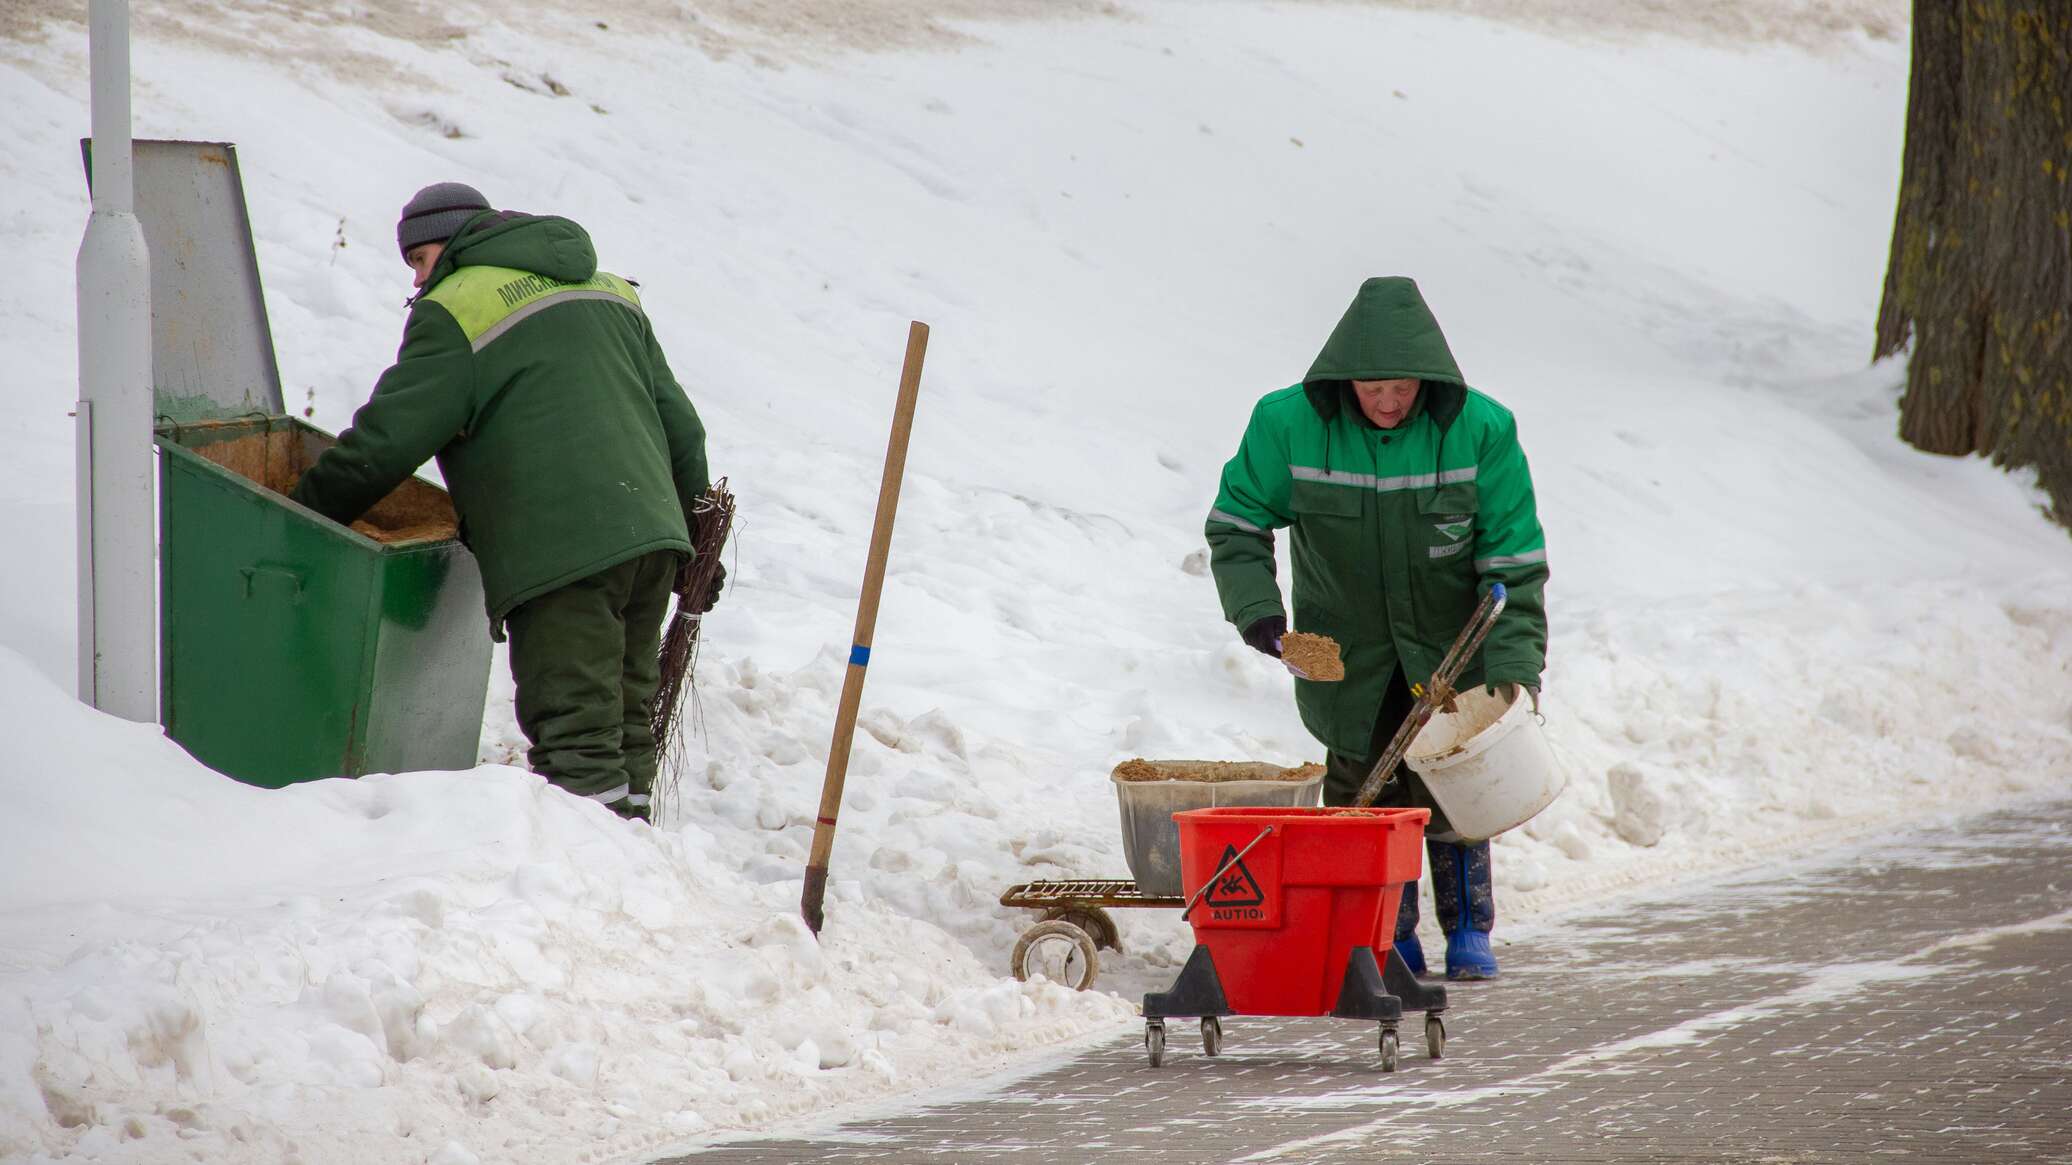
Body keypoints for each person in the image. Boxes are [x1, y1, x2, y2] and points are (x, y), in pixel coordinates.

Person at [290, 182, 717, 823]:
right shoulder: (609, 291)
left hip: (561, 550)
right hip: (650, 535)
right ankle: (633, 858)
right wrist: (696, 536)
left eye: (419, 258)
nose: (416, 276)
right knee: (627, 723)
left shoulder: (454, 308)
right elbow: (680, 425)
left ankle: (591, 886)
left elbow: (390, 437)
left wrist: (304, 514)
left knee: (576, 737)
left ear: (453, 241)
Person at [1204, 276, 1549, 979]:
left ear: (1430, 378)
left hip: (1453, 649)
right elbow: (1237, 526)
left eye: (1403, 387)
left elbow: (1515, 562)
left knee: (1459, 785)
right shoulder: (1288, 425)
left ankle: (1469, 929)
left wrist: (1513, 672)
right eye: (1372, 387)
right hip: (1348, 656)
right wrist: (1263, 621)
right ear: (1343, 380)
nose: (1389, 402)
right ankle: (1387, 934)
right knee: (1365, 789)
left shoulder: (1480, 429)